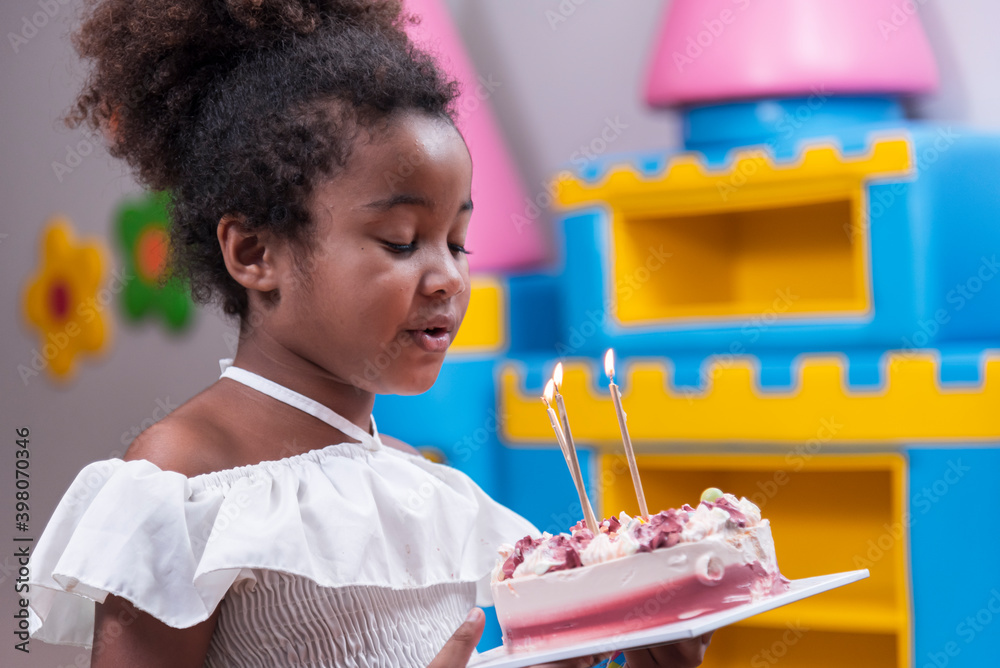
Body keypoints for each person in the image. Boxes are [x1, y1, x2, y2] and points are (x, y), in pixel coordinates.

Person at [27, 1, 713, 666]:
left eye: (458, 243)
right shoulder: (183, 480)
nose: (448, 278)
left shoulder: (418, 481)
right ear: (254, 253)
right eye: (400, 241)